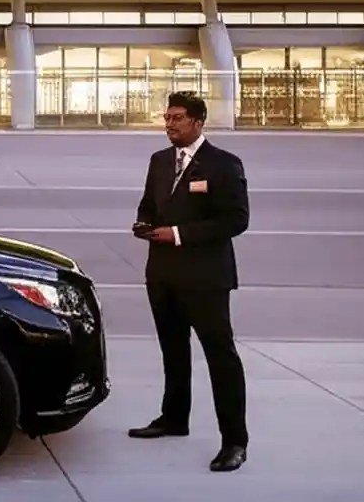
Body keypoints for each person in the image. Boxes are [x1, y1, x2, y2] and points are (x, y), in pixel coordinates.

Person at [128, 91, 250, 472]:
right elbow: (149, 203)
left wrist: (179, 234)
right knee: (173, 351)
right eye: (166, 117)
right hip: (162, 275)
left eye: (178, 118)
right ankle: (174, 418)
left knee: (221, 358)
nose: (170, 124)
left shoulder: (224, 165)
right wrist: (145, 225)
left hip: (205, 278)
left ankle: (234, 441)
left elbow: (236, 220)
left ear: (199, 121)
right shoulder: (159, 161)